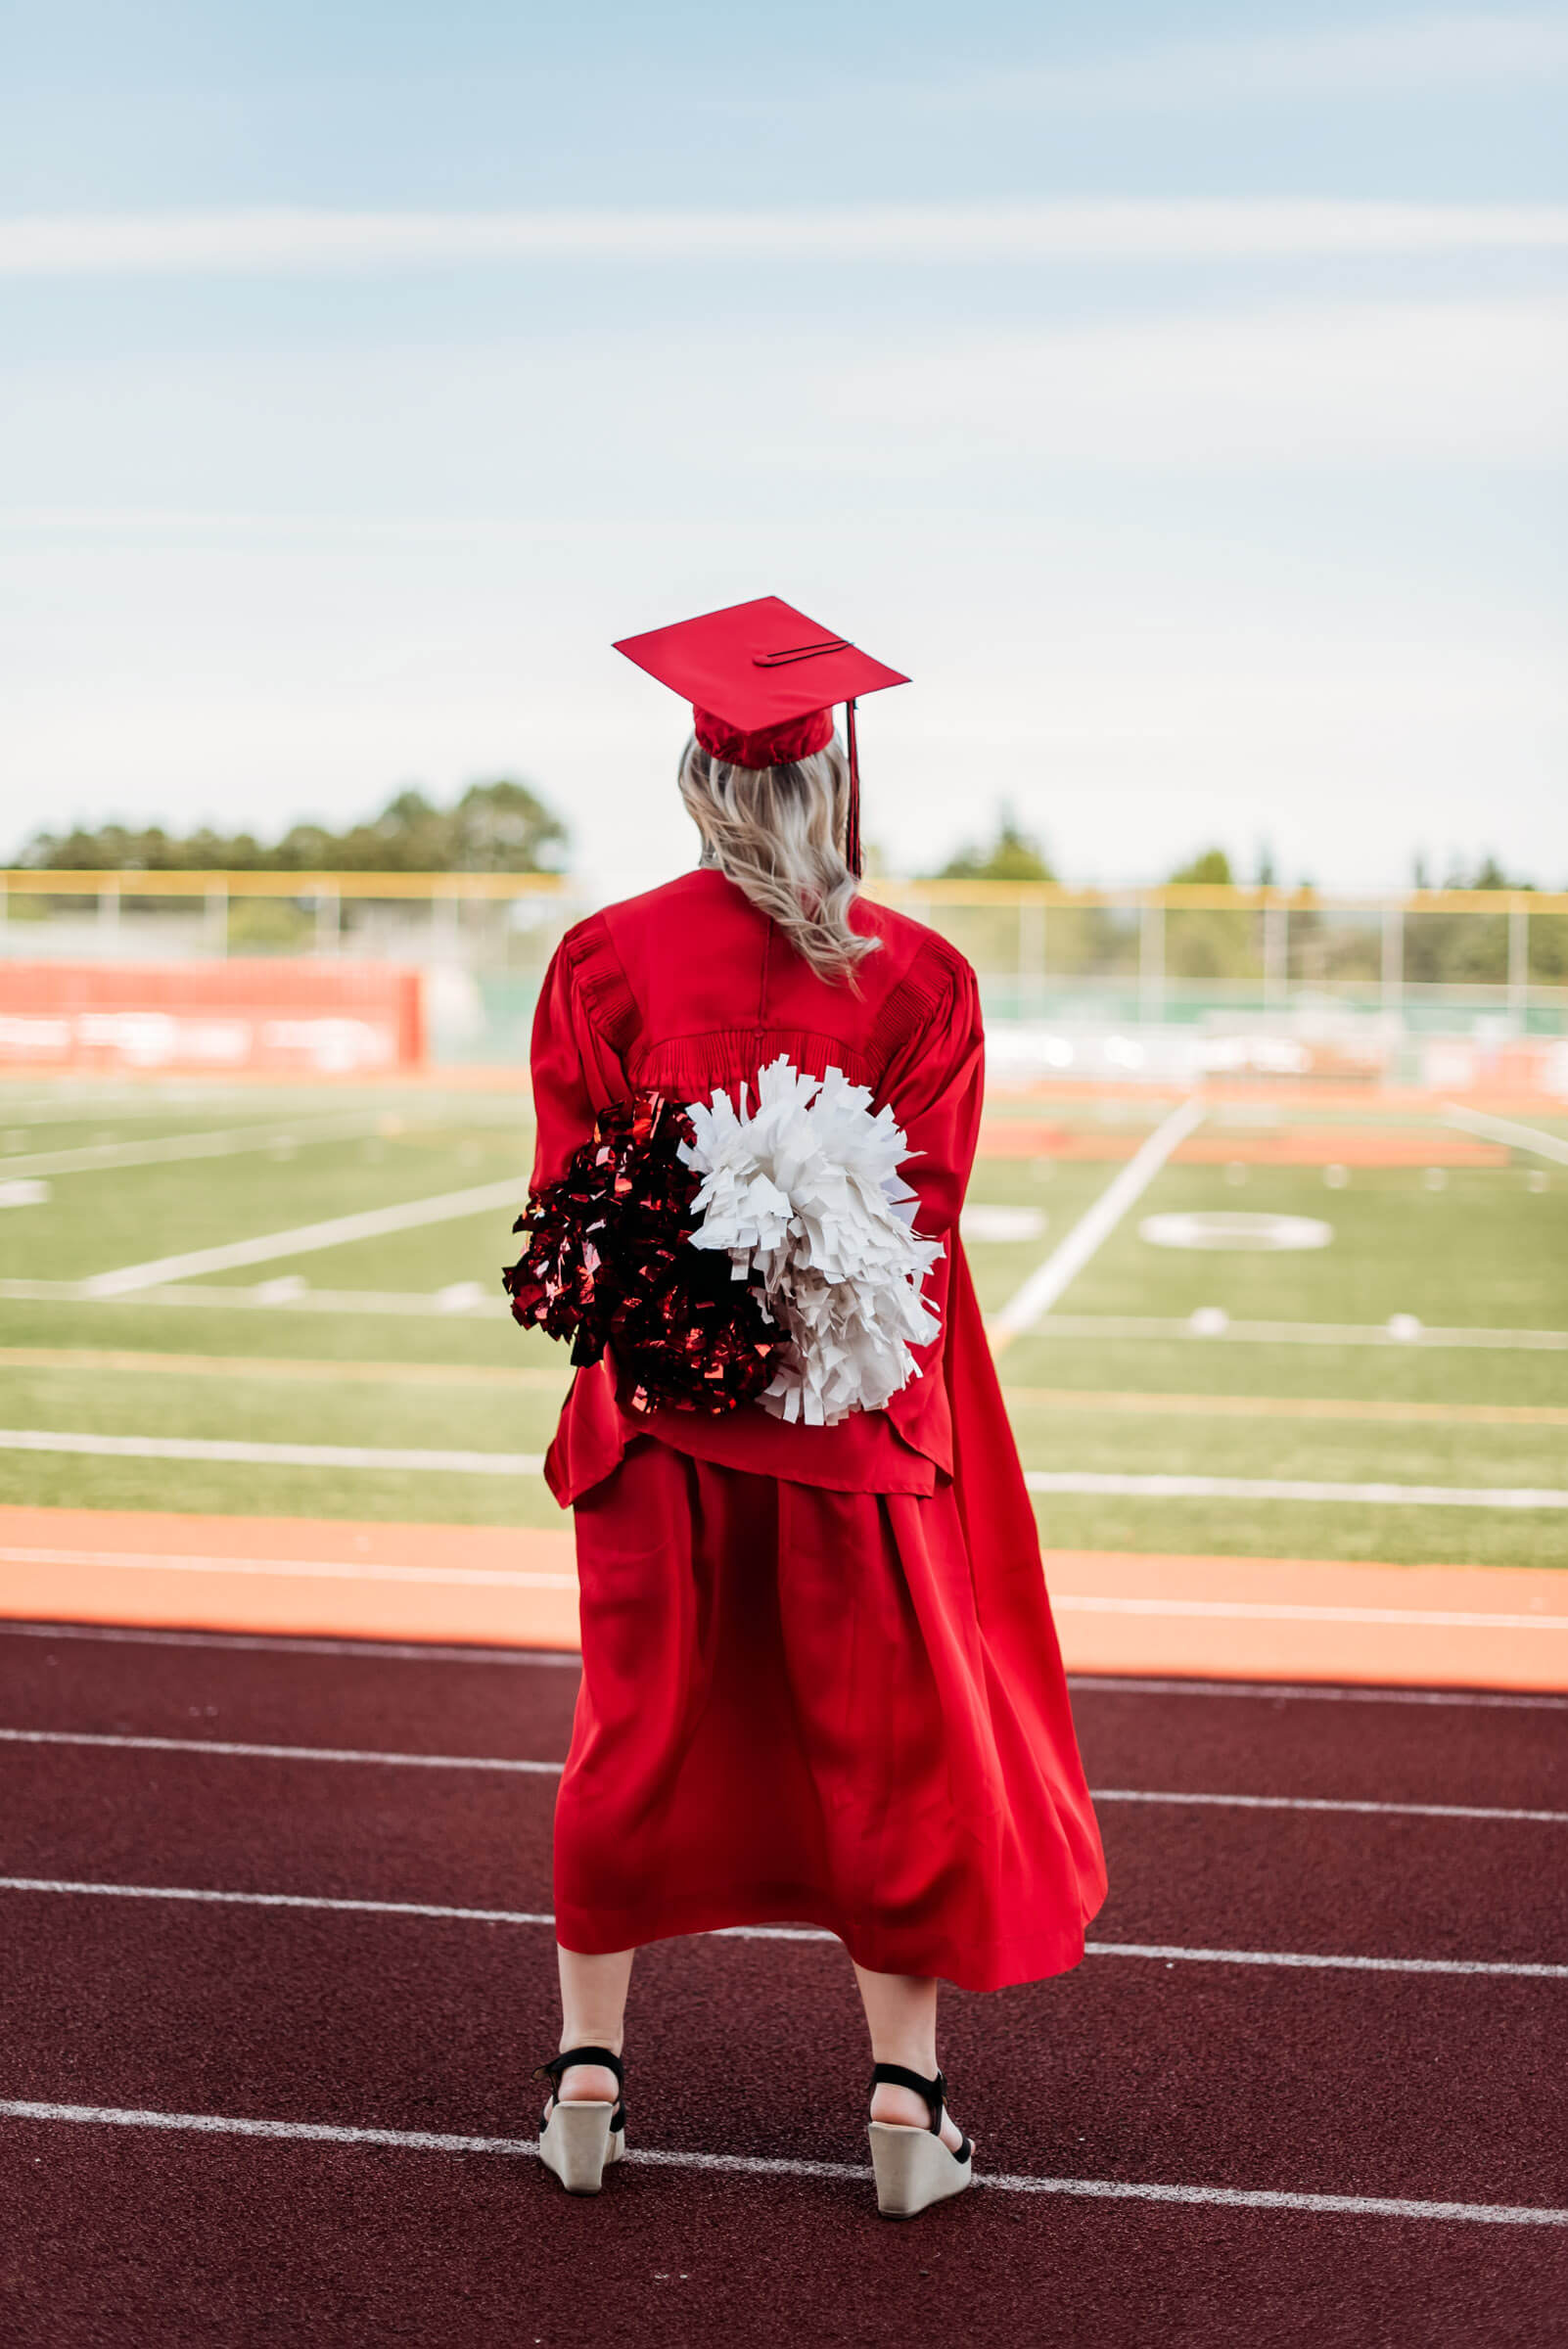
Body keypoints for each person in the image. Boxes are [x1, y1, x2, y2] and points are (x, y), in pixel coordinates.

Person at [520, 597, 1106, 2218]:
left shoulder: (603, 959)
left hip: (656, 1431)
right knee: (890, 1755)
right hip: (851, 1438)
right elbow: (918, 1220)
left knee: (629, 1736)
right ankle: (904, 2116)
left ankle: (585, 2084)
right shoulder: (921, 977)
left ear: (698, 784)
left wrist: (694, 1299)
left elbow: (571, 1205)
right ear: (832, 788)